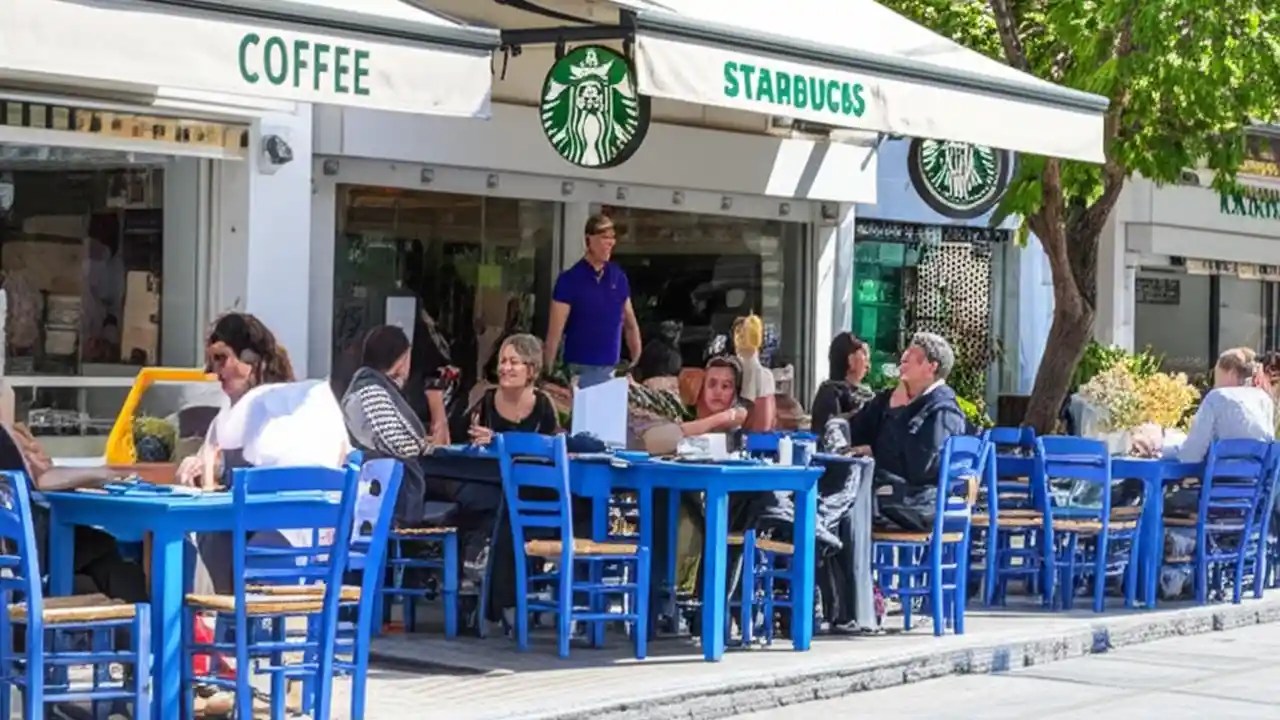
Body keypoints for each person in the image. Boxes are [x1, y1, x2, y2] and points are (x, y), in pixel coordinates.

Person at [0, 422, 148, 602]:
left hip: (17, 546)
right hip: (30, 545)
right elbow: (44, 480)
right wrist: (104, 474)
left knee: (107, 562)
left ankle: (135, 620)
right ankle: (145, 621)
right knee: (103, 548)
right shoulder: (6, 439)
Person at [848, 332, 969, 532]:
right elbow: (856, 431)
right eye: (903, 359)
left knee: (849, 506)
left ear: (931, 367)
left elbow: (920, 467)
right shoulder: (895, 398)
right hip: (897, 496)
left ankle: (850, 563)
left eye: (910, 359)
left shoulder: (943, 411)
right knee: (841, 499)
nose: (902, 363)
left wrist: (896, 415)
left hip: (921, 504)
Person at [342, 325, 434, 525]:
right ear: (400, 360)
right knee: (478, 495)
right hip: (391, 487)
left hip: (390, 481)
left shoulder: (376, 388)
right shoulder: (371, 391)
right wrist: (422, 445)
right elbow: (397, 443)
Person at [544, 214, 643, 389]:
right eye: (604, 237)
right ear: (589, 239)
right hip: (579, 370)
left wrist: (635, 360)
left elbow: (630, 323)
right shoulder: (569, 280)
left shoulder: (618, 277)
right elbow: (555, 332)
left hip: (611, 369)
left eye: (612, 238)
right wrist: (547, 372)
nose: (610, 242)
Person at [632, 355, 748, 454]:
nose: (718, 391)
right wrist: (720, 418)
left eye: (726, 386)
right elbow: (651, 443)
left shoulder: (736, 432)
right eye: (712, 384)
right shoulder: (675, 408)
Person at [468, 334, 560, 444]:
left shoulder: (544, 404)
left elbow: (552, 444)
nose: (505, 368)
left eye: (514, 362)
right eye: (503, 361)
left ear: (531, 370)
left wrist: (498, 440)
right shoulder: (483, 400)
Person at [810, 332, 876, 435]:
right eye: (864, 356)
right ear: (851, 360)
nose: (868, 366)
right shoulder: (830, 393)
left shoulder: (867, 394)